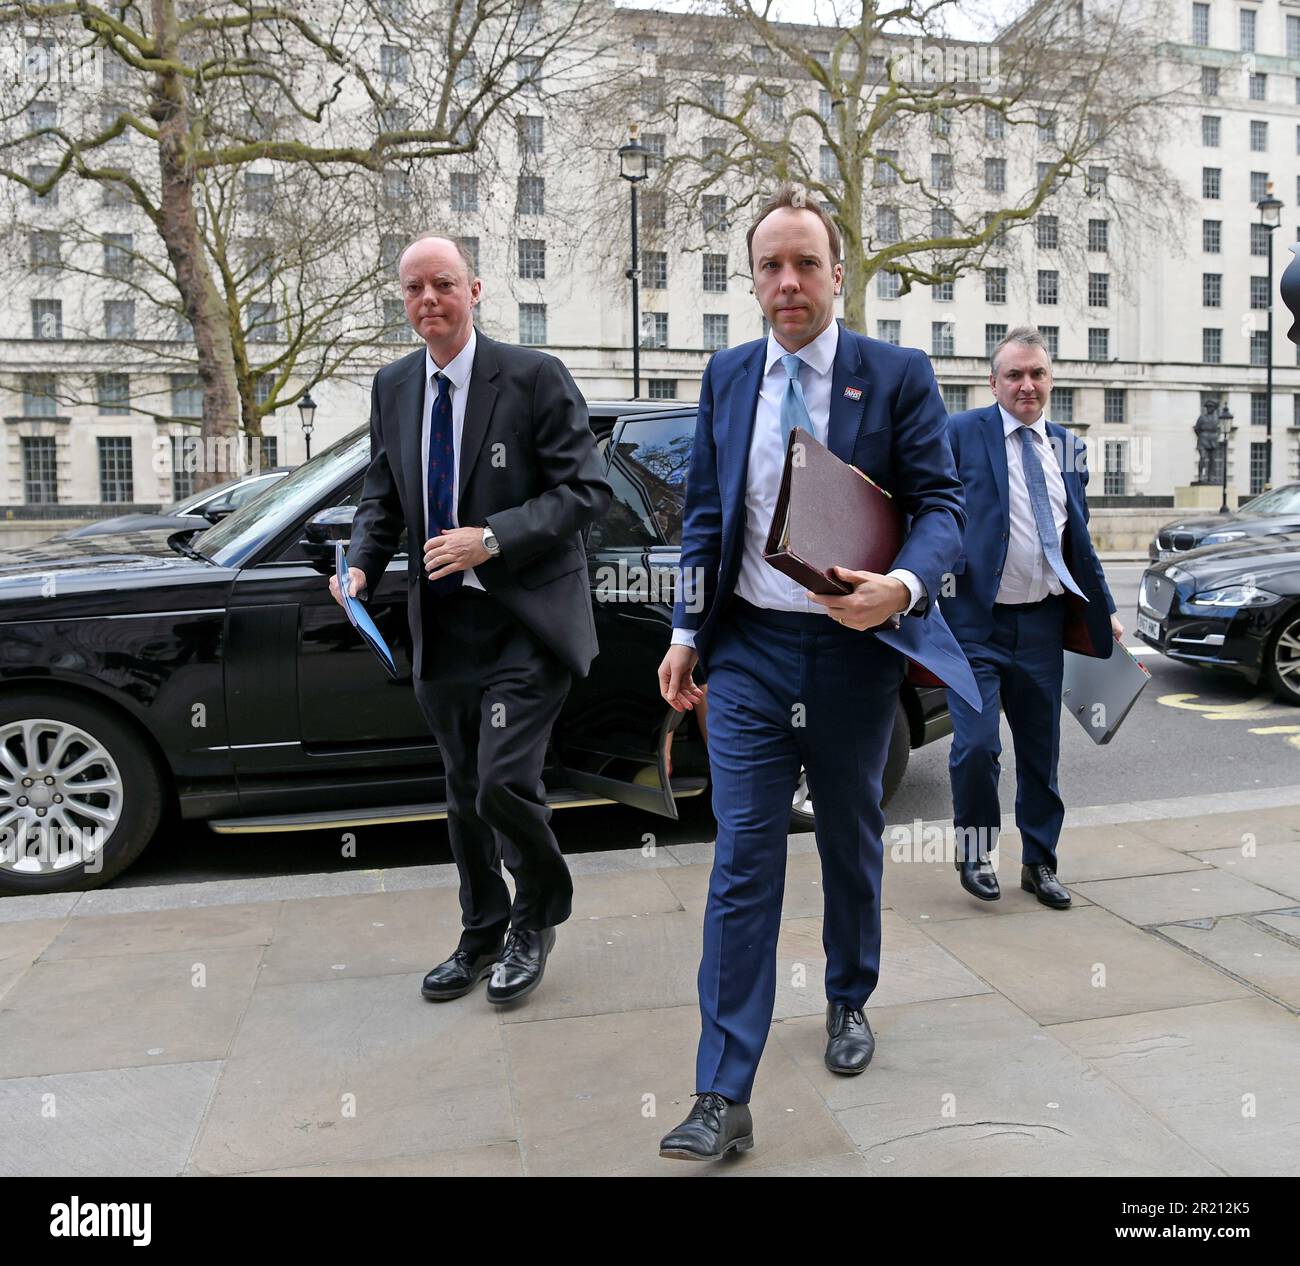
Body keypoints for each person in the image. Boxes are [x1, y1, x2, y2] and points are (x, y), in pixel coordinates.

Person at [655, 183, 978, 1163]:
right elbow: (708, 520)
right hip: (749, 650)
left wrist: (906, 585)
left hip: (850, 655)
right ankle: (722, 1091)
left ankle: (847, 998)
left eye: (805, 263)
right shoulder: (726, 377)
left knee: (848, 841)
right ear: (750, 280)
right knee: (742, 857)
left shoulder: (895, 376)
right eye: (770, 265)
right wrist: (682, 628)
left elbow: (941, 507)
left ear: (838, 273)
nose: (787, 282)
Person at [332, 233, 611, 1005]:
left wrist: (490, 539)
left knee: (499, 782)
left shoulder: (532, 377)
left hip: (524, 619)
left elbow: (586, 491)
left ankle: (539, 912)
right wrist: (360, 563)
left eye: (444, 285)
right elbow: (381, 498)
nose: (429, 300)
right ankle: (481, 931)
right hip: (441, 624)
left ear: (476, 291)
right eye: (415, 288)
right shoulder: (392, 387)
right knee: (461, 795)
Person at [943, 326, 1122, 909]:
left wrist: (1106, 612)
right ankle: (975, 853)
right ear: (992, 382)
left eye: (1037, 373)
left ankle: (1040, 863)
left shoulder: (1069, 446)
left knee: (1040, 754)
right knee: (975, 749)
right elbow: (929, 512)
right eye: (1014, 374)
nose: (1027, 384)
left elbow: (1078, 539)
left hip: (1042, 625)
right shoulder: (960, 433)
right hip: (975, 625)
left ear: (1050, 380)